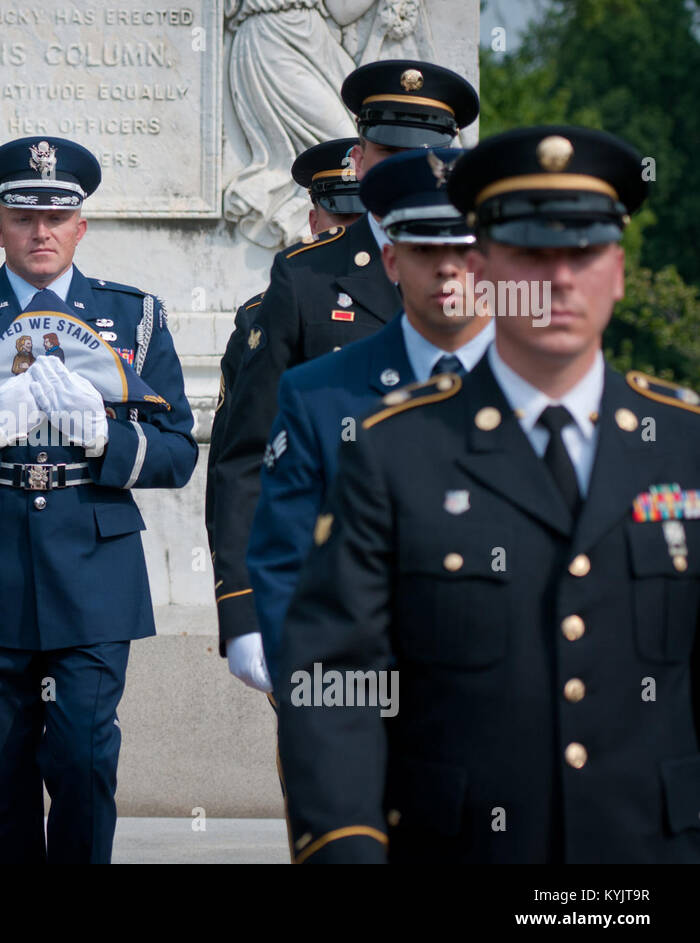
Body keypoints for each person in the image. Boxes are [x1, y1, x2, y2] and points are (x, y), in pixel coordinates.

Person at [276, 125, 700, 863]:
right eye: (532, 249)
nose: (560, 278)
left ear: (620, 270)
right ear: (484, 266)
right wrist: (347, 848)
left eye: (585, 250)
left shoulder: (687, 446)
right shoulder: (392, 449)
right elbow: (331, 683)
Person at [0, 137, 197, 863]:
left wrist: (108, 440)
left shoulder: (138, 318)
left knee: (85, 756)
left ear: (81, 228)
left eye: (57, 217)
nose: (41, 231)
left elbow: (180, 449)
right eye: (23, 215)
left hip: (92, 567)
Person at [209, 60, 478, 694]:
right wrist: (244, 607)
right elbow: (247, 454)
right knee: (332, 788)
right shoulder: (304, 279)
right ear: (359, 160)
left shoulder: (496, 272)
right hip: (328, 592)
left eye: (429, 153)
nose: (403, 168)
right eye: (387, 151)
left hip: (466, 589)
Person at [206, 137, 364, 565]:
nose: (354, 233)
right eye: (343, 216)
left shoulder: (431, 310)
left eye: (366, 218)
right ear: (313, 221)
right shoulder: (261, 315)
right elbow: (234, 463)